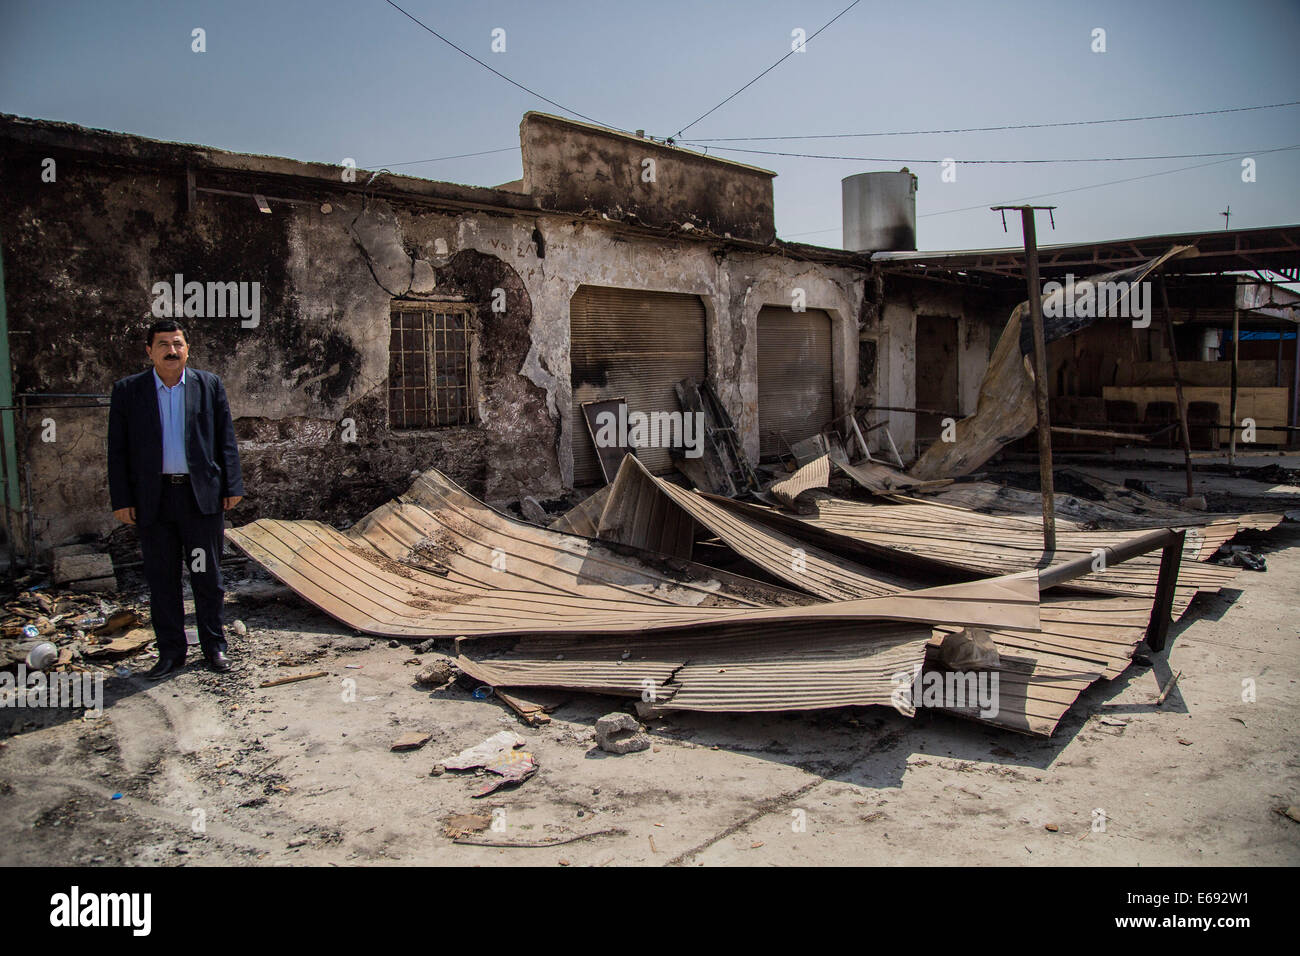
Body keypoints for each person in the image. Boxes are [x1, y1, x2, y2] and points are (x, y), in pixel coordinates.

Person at [107, 320, 244, 679]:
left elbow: (225, 439)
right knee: (162, 578)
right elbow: (117, 451)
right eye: (163, 344)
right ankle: (171, 653)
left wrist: (232, 485)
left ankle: (214, 646)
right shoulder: (128, 391)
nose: (171, 350)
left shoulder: (207, 385)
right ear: (149, 351)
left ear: (188, 349)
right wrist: (122, 499)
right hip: (154, 502)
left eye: (177, 343)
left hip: (199, 500)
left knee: (206, 575)